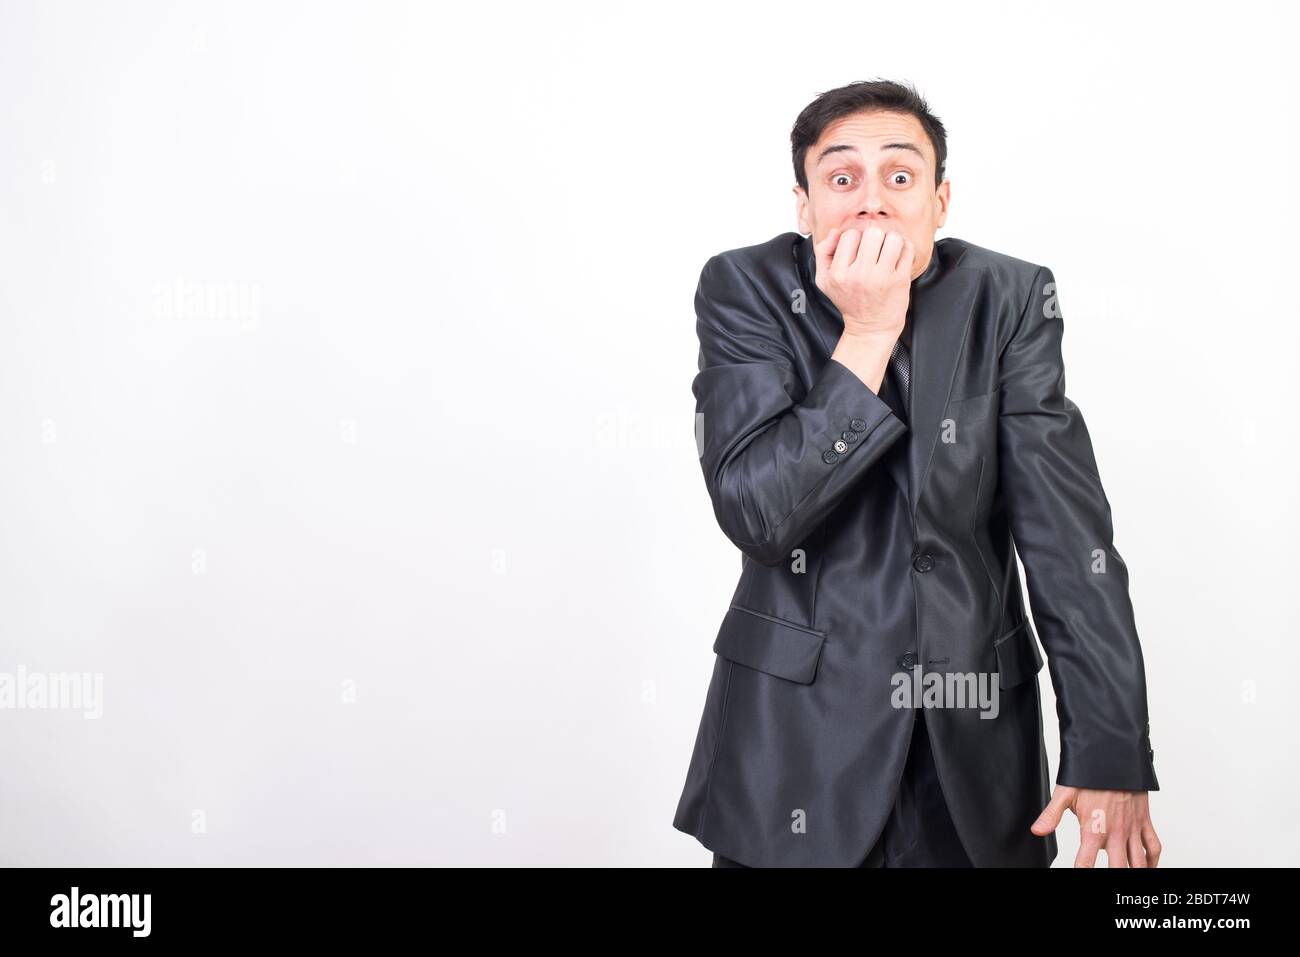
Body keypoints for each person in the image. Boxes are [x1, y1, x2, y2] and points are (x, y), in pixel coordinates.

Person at [673, 79, 1162, 868]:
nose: (872, 201)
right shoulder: (745, 288)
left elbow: (1069, 541)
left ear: (940, 200)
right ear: (804, 205)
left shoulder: (1006, 296)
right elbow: (760, 516)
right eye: (842, 179)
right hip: (795, 747)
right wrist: (868, 329)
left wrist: (1108, 745)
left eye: (899, 177)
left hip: (972, 759)